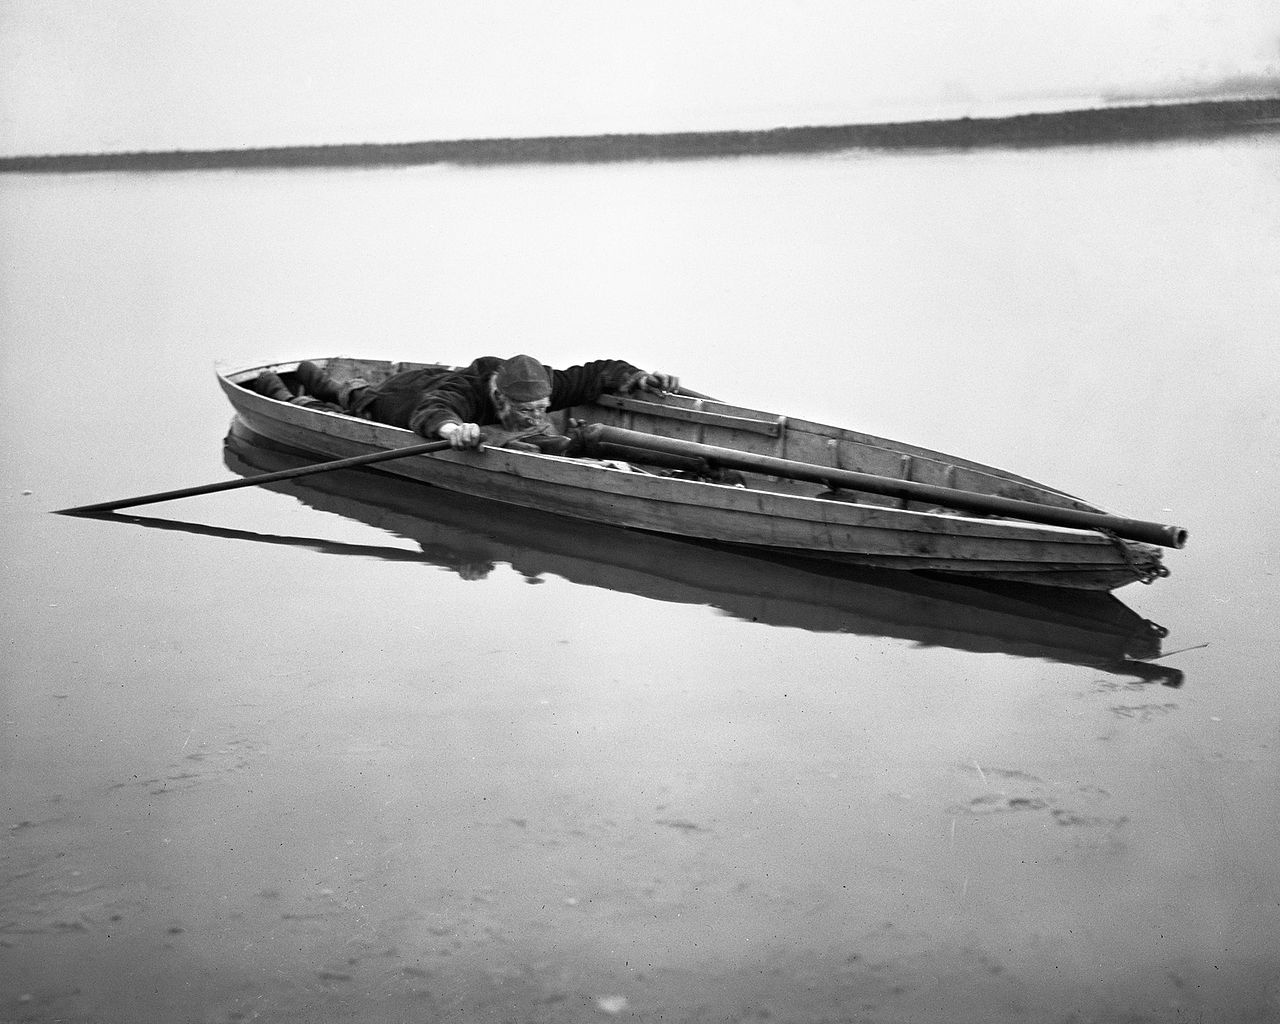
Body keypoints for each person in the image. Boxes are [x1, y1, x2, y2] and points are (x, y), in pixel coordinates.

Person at [269, 354, 679, 454]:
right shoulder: (466, 393)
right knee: (353, 400)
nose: (538, 417)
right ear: (500, 396)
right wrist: (453, 430)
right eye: (527, 411)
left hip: (429, 385)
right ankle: (288, 389)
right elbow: (433, 411)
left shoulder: (537, 383)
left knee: (351, 393)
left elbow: (595, 373)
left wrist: (638, 378)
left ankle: (317, 379)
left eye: (543, 407)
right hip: (402, 398)